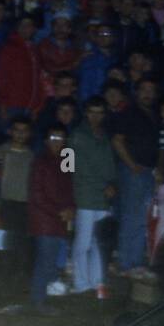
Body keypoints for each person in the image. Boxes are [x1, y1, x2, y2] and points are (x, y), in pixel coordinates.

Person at [110, 75, 161, 275]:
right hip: (134, 172)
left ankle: (136, 261)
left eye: (151, 90)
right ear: (137, 92)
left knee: (142, 218)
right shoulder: (129, 113)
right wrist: (132, 165)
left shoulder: (153, 115)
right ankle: (125, 263)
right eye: (144, 90)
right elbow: (117, 140)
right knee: (131, 217)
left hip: (148, 171)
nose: (148, 94)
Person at [68, 96, 117, 296]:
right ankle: (81, 283)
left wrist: (113, 184)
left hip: (103, 198)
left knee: (99, 241)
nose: (96, 116)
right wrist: (102, 186)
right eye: (92, 112)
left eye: (100, 112)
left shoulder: (104, 135)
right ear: (86, 113)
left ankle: (98, 283)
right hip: (85, 196)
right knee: (83, 242)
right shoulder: (77, 136)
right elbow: (72, 168)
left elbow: (110, 165)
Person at [26, 122, 75, 315]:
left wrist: (72, 208)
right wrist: (59, 212)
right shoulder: (40, 161)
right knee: (45, 261)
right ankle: (38, 302)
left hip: (60, 219)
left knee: (52, 260)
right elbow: (37, 195)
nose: (57, 142)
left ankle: (42, 299)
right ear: (46, 141)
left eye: (61, 138)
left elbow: (70, 186)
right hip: (44, 220)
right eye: (53, 138)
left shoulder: (66, 158)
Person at [0, 13, 45, 121]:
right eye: (22, 25)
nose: (25, 29)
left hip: (30, 105)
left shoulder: (35, 49)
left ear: (34, 29)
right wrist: (3, 105)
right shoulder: (10, 48)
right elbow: (2, 77)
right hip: (13, 104)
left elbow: (37, 79)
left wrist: (36, 106)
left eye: (29, 25)